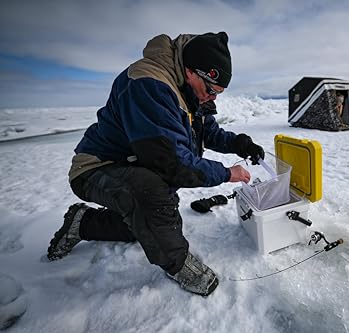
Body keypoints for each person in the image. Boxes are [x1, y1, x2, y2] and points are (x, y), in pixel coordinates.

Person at [46, 32, 264, 297]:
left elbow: (209, 132)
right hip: (97, 167)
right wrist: (227, 173)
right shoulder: (148, 84)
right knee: (151, 195)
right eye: (211, 90)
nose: (212, 98)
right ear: (190, 71)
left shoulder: (192, 93)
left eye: (218, 94)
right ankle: (179, 264)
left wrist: (241, 144)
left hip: (135, 163)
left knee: (146, 225)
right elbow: (171, 162)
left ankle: (82, 223)